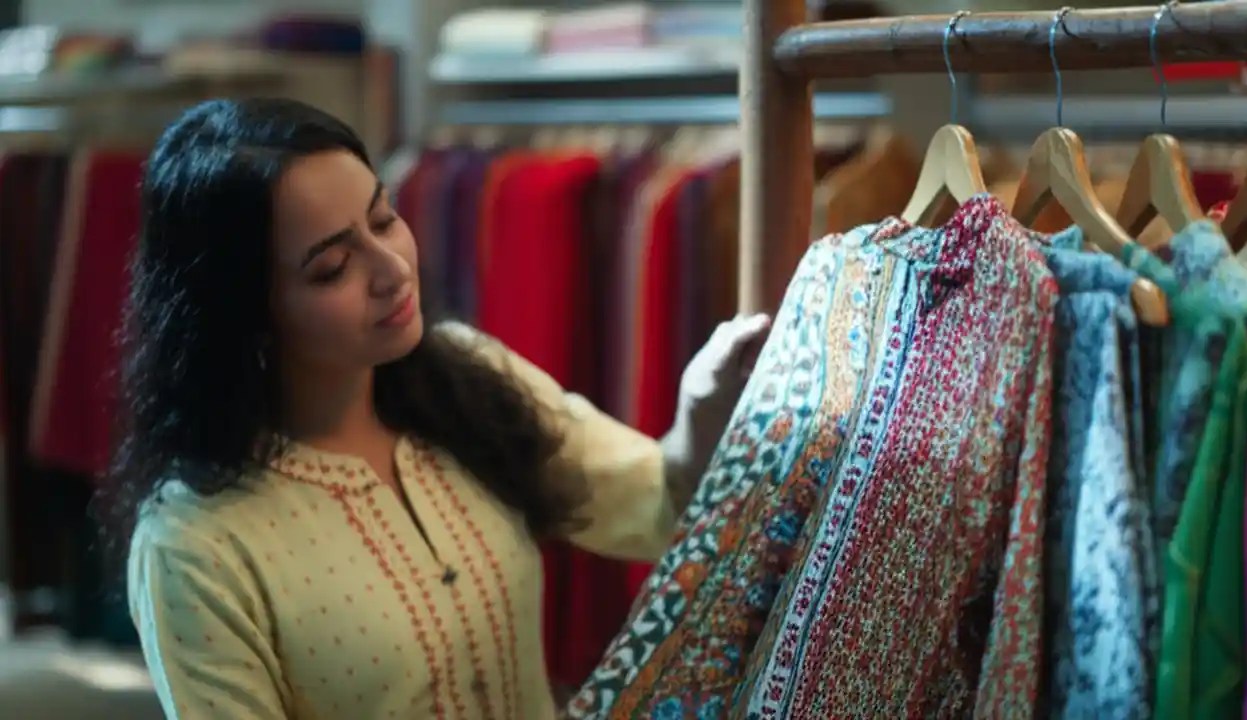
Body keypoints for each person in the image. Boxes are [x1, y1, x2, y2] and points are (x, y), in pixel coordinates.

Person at [113, 97, 770, 720]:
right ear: (244, 313)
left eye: (383, 218)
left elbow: (661, 506)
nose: (392, 268)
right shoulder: (196, 542)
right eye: (334, 267)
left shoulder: (464, 378)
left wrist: (702, 408)